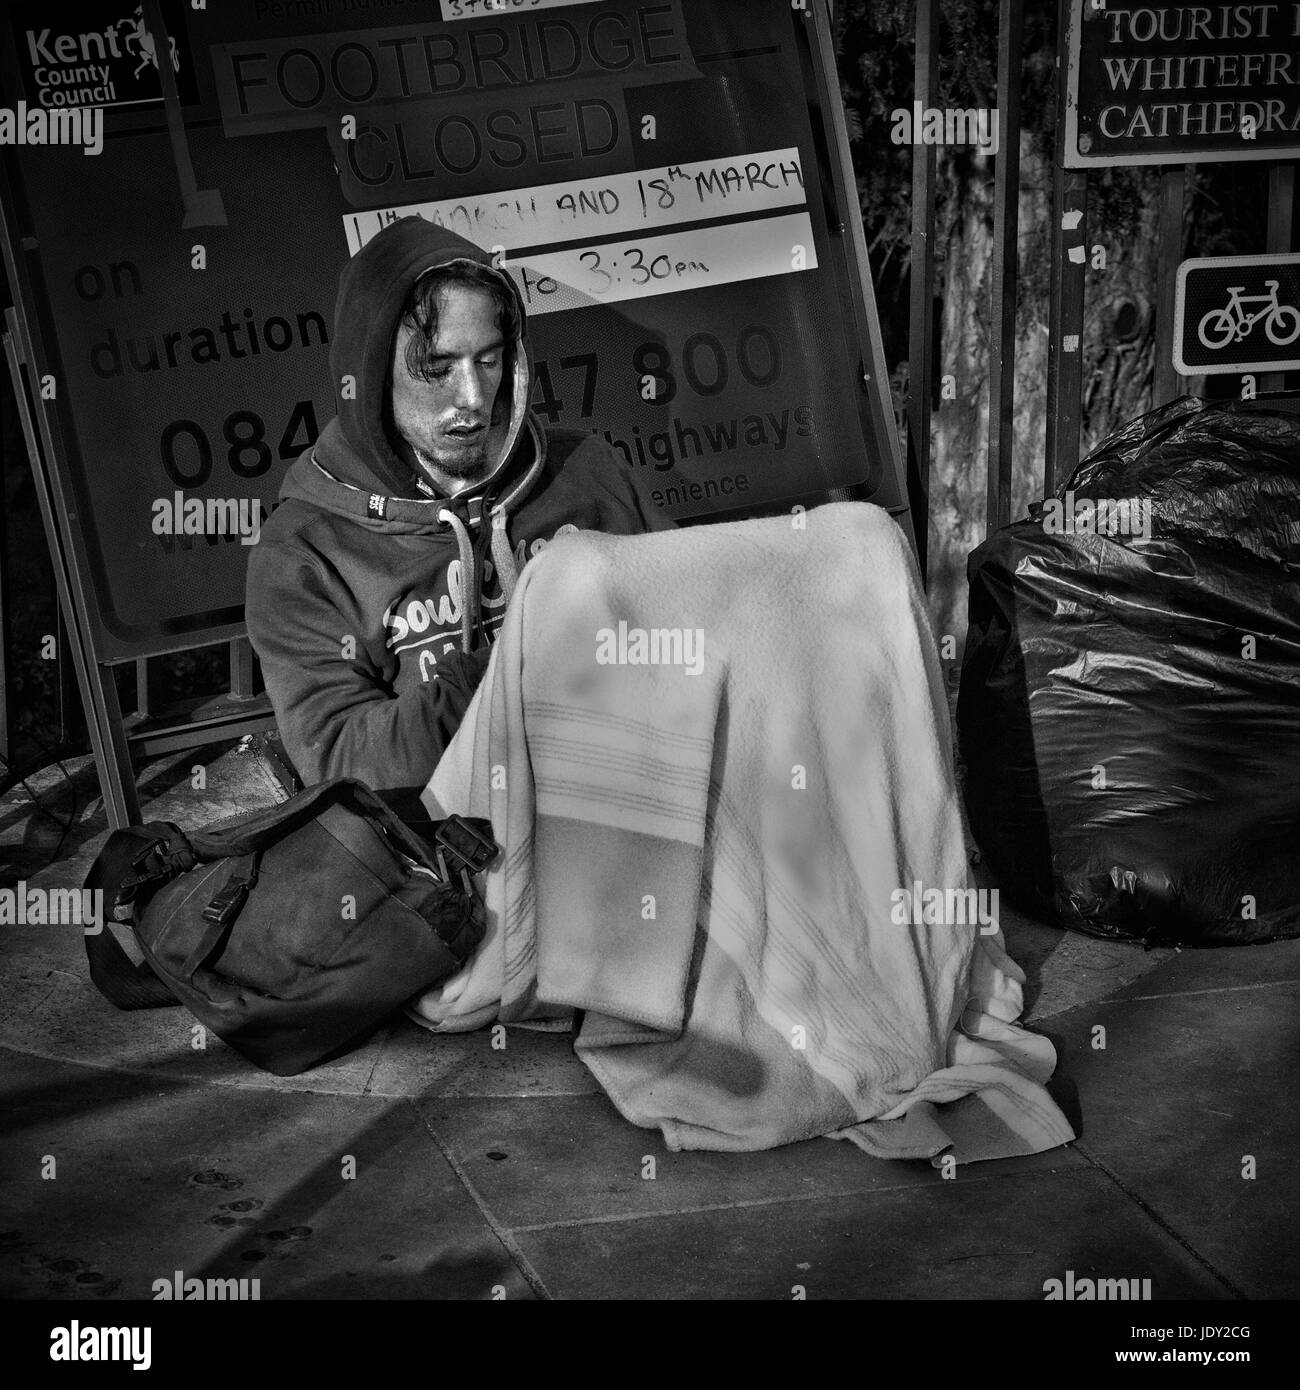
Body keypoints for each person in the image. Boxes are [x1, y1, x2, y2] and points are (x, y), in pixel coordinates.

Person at [246, 218, 670, 828]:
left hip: (638, 793)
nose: (472, 397)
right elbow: (344, 764)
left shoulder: (589, 470)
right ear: (368, 378)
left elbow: (698, 626)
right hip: (463, 853)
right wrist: (504, 671)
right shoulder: (304, 554)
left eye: (489, 361)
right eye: (437, 369)